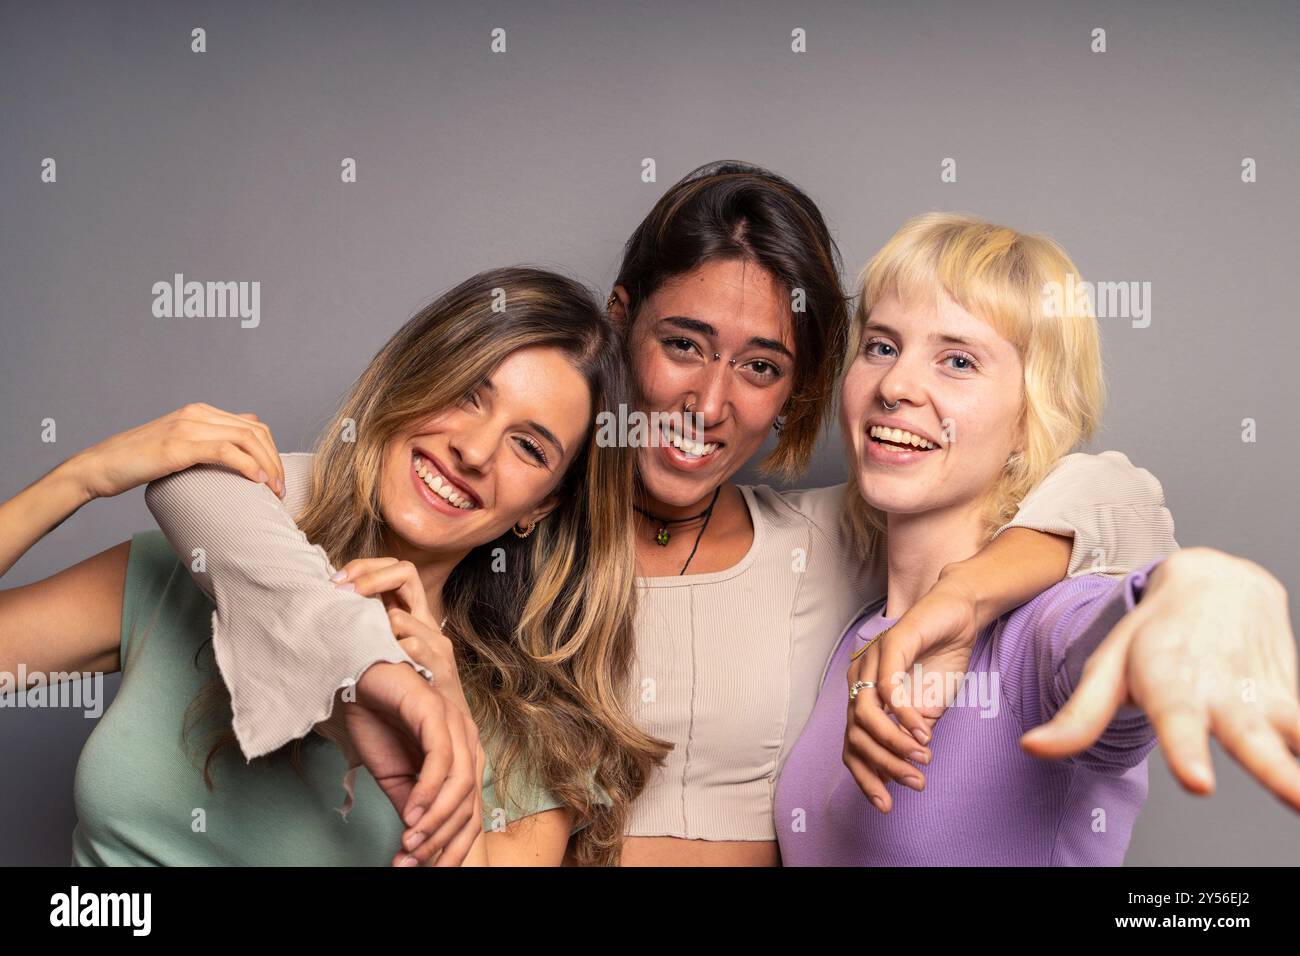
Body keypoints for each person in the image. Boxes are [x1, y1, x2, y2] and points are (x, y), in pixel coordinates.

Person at [144, 162, 1188, 866]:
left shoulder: (840, 540)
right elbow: (215, 487)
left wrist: (964, 596)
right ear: (619, 326)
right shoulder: (511, 516)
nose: (708, 402)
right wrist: (371, 669)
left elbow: (1121, 498)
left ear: (795, 391)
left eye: (761, 367)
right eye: (683, 344)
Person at [0, 267, 667, 866]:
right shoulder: (189, 567)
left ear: (542, 506)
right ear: (413, 378)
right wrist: (79, 477)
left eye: (528, 447)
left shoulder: (533, 719)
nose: (473, 450)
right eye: (468, 394)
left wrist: (444, 736)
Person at [775, 213, 1300, 865]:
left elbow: (1108, 635)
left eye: (958, 360)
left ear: (1031, 416)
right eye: (881, 347)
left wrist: (1188, 597)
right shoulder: (852, 633)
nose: (895, 386)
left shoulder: (1039, 635)